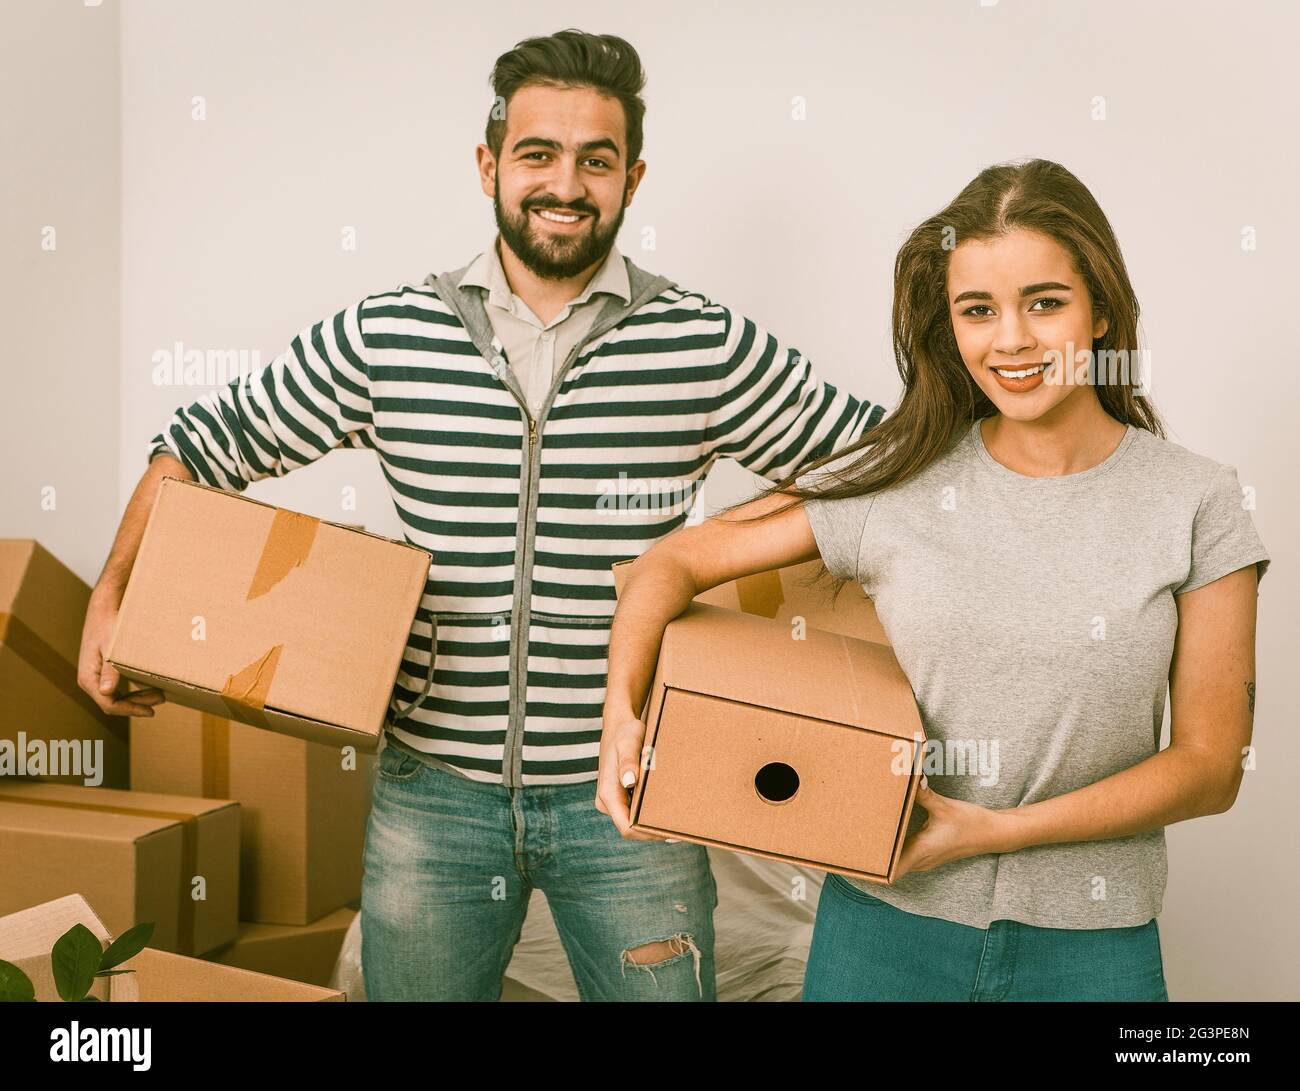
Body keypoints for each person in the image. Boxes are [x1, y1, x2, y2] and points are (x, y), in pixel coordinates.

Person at [76, 29, 886, 1001]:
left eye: (595, 159)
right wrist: (111, 592)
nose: (565, 182)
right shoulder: (390, 332)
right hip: (434, 800)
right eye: (538, 153)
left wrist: (718, 550)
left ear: (631, 176)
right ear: (489, 163)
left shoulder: (700, 342)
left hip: (629, 794)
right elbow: (204, 441)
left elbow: (874, 468)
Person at [600, 158, 1270, 1002]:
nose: (1012, 339)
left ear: (1101, 310)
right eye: (978, 310)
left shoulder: (1197, 499)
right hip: (883, 932)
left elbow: (1212, 766)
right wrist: (620, 717)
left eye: (1045, 302)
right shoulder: (901, 479)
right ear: (950, 328)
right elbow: (671, 561)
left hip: (1093, 948)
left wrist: (993, 832)